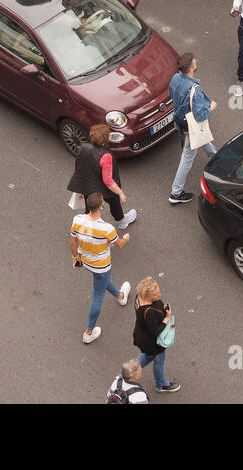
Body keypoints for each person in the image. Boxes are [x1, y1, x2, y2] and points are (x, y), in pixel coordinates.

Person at [71, 191, 131, 344]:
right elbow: (120, 245)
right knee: (98, 295)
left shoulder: (77, 220)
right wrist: (126, 238)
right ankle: (88, 332)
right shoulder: (107, 228)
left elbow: (72, 242)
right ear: (102, 206)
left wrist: (75, 257)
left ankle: (120, 296)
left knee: (102, 282)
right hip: (101, 266)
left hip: (85, 261)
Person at [168, 53, 217, 205]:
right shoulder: (194, 89)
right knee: (187, 157)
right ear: (191, 68)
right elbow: (200, 115)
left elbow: (171, 94)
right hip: (191, 127)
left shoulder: (176, 78)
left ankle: (215, 158)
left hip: (180, 122)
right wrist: (211, 108)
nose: (196, 63)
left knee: (202, 141)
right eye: (194, 62)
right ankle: (176, 193)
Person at [66, 123, 135, 230]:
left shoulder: (83, 147)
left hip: (87, 186)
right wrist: (120, 193)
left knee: (91, 207)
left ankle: (88, 225)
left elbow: (81, 167)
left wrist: (81, 187)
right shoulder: (106, 156)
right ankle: (122, 221)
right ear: (105, 140)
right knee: (114, 203)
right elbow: (108, 180)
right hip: (104, 190)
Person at [133, 277, 180, 394]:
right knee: (159, 360)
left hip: (142, 335)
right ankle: (161, 384)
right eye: (156, 294)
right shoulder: (149, 312)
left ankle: (124, 375)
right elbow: (155, 332)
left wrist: (161, 309)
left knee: (147, 357)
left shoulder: (139, 298)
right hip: (153, 343)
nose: (159, 294)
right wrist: (167, 318)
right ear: (148, 297)